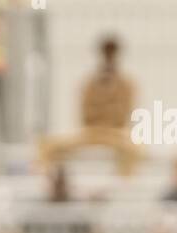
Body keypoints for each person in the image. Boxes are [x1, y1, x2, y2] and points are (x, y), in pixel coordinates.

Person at [40, 36, 141, 177]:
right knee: (48, 146)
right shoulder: (89, 83)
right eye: (106, 53)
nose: (109, 57)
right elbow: (84, 114)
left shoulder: (126, 84)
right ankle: (51, 184)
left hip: (115, 133)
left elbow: (126, 114)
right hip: (90, 131)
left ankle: (123, 186)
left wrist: (105, 112)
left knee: (135, 150)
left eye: (111, 53)